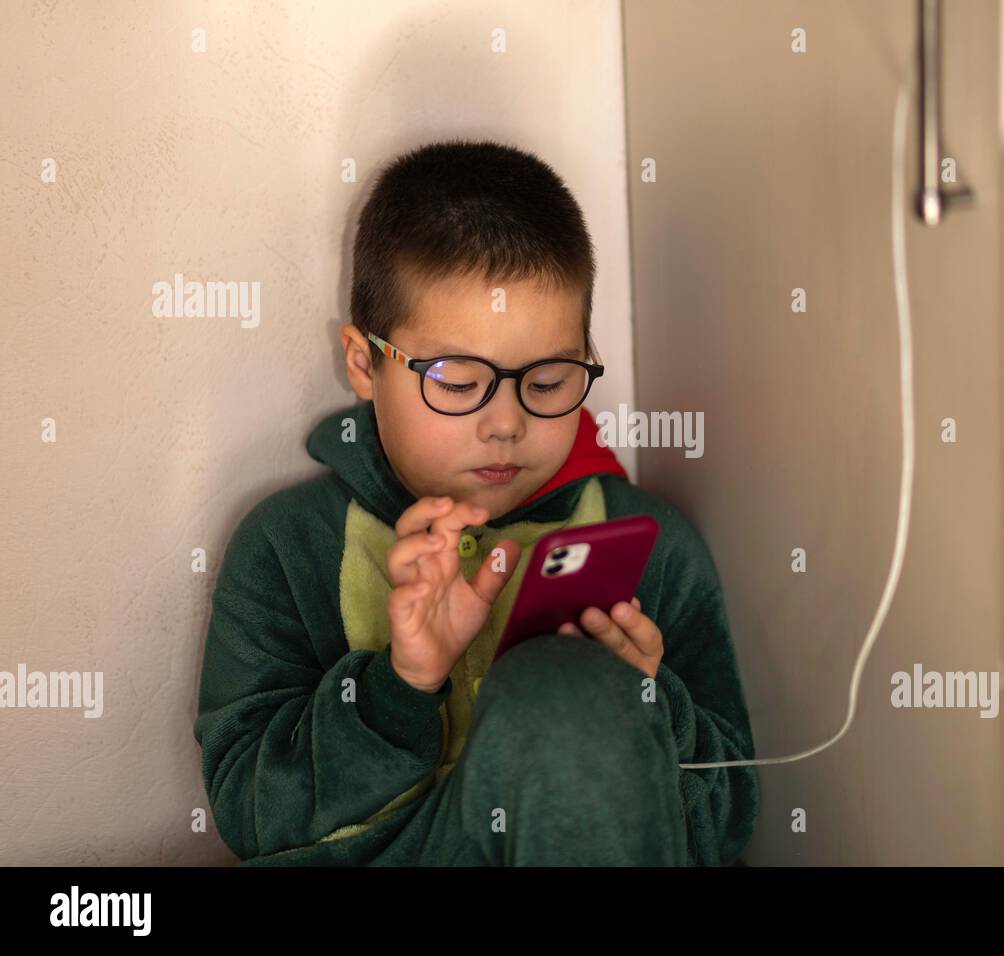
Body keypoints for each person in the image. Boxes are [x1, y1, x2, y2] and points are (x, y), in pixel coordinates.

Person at [193, 138, 759, 866]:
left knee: (569, 690)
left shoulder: (648, 544)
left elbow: (731, 817)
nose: (506, 423)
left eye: (550, 381)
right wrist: (400, 686)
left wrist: (649, 712)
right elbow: (250, 815)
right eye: (459, 383)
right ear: (365, 364)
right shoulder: (285, 547)